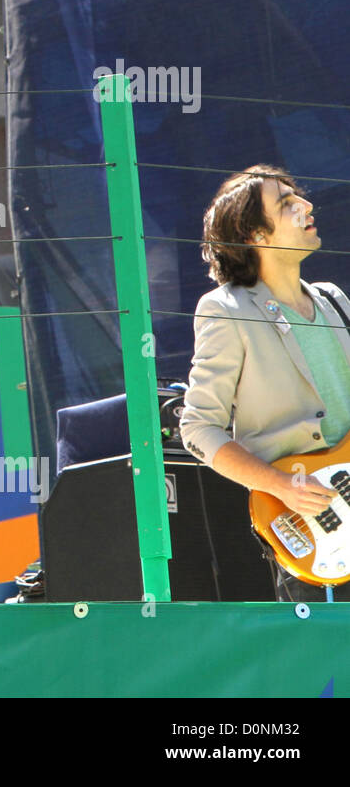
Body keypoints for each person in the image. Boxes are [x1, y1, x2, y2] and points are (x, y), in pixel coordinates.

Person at [180, 164, 350, 600]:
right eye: (286, 203)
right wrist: (279, 486)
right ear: (255, 236)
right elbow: (198, 428)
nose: (307, 205)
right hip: (314, 530)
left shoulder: (333, 299)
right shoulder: (225, 309)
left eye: (300, 196)